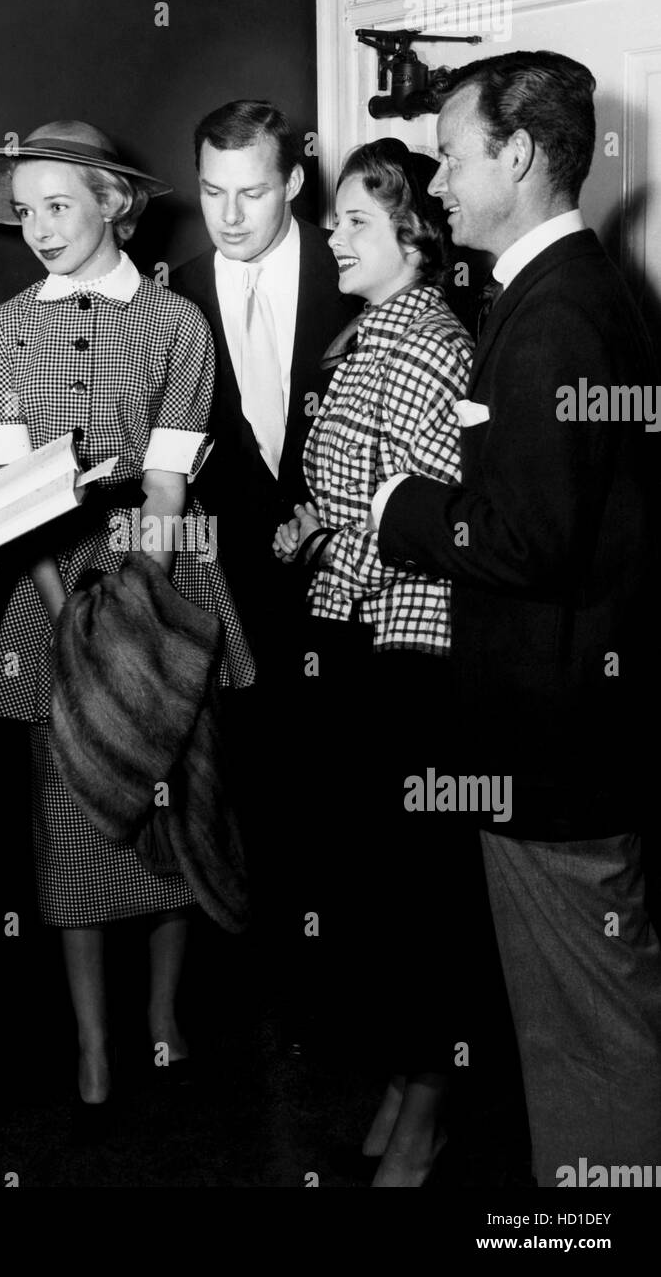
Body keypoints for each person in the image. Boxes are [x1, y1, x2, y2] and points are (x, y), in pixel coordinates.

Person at [373, 51, 661, 1186]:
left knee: (587, 1035)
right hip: (571, 747)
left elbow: (520, 540)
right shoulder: (567, 292)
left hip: (550, 759)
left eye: (449, 157)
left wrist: (400, 505)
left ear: (519, 156)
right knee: (590, 1019)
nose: (435, 186)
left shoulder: (551, 316)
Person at [0, 121, 254, 1114]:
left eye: (57, 204)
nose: (37, 226)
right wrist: (64, 605)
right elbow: (11, 506)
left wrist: (130, 611)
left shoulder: (175, 325)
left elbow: (164, 489)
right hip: (48, 586)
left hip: (162, 579)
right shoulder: (0, 333)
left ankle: (161, 1017)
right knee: (68, 820)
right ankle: (90, 1042)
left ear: (112, 203)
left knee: (170, 799)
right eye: (24, 210)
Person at [274, 137, 476, 1186]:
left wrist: (324, 539)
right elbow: (366, 488)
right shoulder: (366, 334)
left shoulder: (427, 341)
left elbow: (433, 520)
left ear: (412, 234)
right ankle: (408, 1078)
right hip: (356, 643)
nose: (331, 235)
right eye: (335, 218)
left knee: (420, 892)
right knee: (379, 888)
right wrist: (312, 518)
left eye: (354, 220)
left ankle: (434, 1096)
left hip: (408, 651)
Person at [170, 100, 359, 1051]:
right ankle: (276, 983)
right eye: (211, 192)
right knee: (250, 778)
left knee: (351, 780)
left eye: (252, 192)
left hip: (356, 575)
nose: (230, 216)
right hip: (234, 578)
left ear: (294, 182)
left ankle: (357, 984)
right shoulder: (178, 295)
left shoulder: (360, 268)